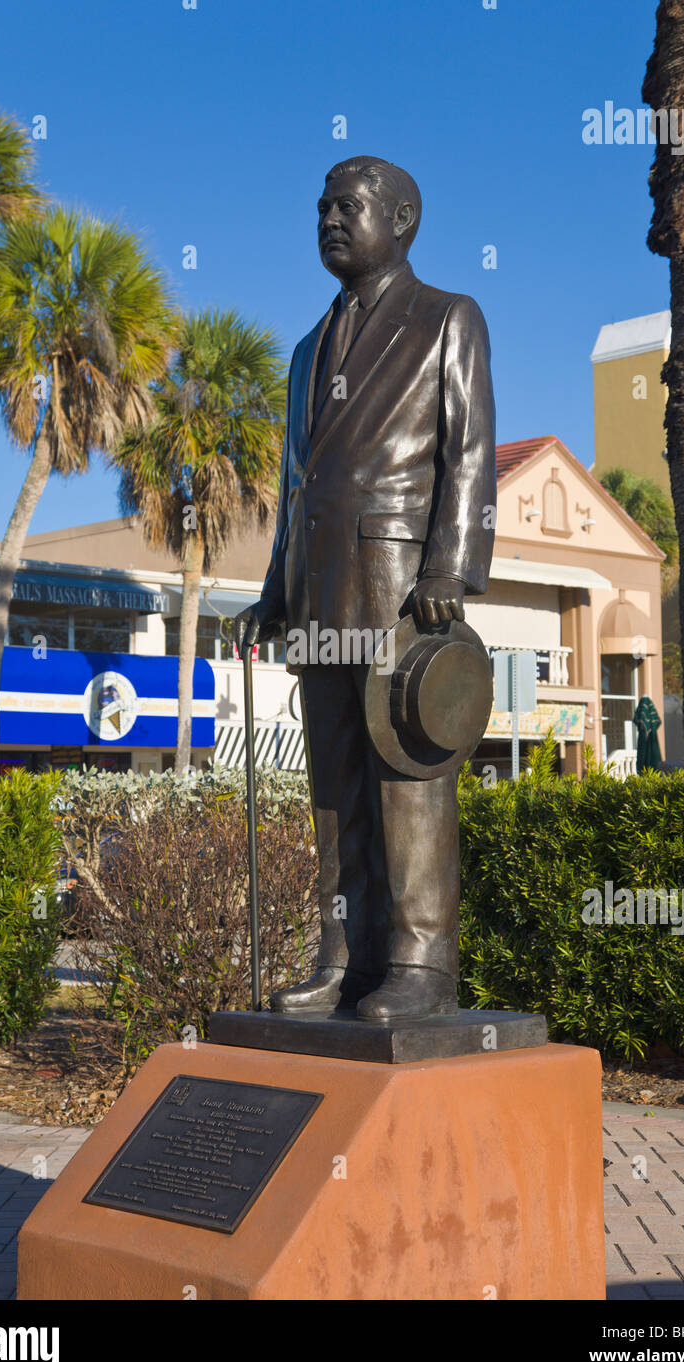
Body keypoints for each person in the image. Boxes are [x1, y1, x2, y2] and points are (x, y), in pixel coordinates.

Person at [235, 156, 496, 1022]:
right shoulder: (308, 351)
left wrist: (449, 568)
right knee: (334, 786)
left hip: (400, 594)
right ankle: (342, 957)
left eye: (347, 206)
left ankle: (422, 965)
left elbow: (468, 455)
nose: (329, 219)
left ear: (403, 218)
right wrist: (275, 593)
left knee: (408, 776)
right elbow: (298, 488)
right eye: (321, 207)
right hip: (319, 597)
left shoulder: (447, 317)